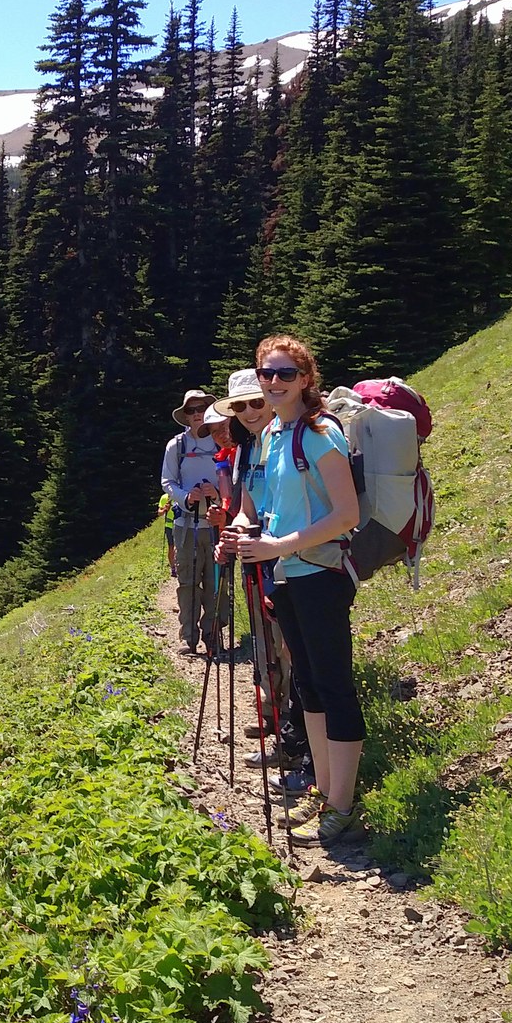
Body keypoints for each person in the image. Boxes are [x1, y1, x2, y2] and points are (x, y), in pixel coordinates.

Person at [224, 335, 366, 847]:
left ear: (307, 379)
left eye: (286, 374)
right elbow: (255, 505)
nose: (275, 383)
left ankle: (343, 806)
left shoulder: (318, 433)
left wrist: (280, 542)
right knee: (308, 684)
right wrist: (243, 528)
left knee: (333, 686)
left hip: (321, 573)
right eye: (267, 374)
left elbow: (346, 514)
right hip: (285, 574)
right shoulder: (271, 437)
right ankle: (326, 796)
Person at [219, 370, 307, 782]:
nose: (250, 411)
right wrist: (237, 527)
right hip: (260, 557)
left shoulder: (285, 438)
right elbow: (247, 506)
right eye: (240, 406)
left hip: (291, 559)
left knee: (293, 652)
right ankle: (286, 737)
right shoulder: (246, 448)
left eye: (256, 402)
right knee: (269, 646)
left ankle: (299, 748)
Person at [160, 389, 220, 655]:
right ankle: (188, 636)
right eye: (192, 410)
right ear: (185, 416)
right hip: (187, 525)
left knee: (216, 583)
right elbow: (167, 481)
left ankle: (213, 633)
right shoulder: (177, 445)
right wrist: (186, 497)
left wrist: (216, 494)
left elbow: (233, 478)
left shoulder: (222, 443)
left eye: (202, 408)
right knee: (188, 582)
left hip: (218, 524)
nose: (197, 414)